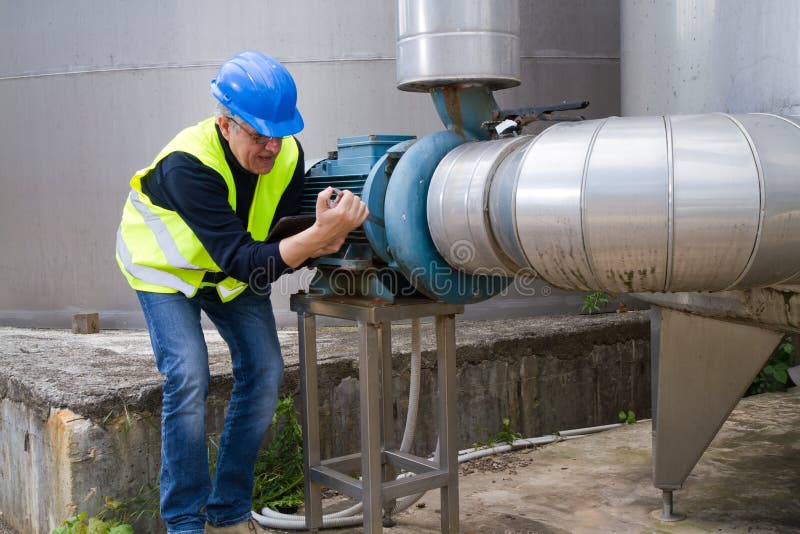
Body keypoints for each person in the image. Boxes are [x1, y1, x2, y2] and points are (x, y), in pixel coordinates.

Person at [115, 50, 368, 534]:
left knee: (266, 371)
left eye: (278, 135)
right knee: (188, 375)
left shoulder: (287, 155)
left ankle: (228, 513)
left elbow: (276, 239)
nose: (271, 148)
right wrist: (315, 237)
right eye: (257, 136)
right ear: (225, 124)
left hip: (232, 274)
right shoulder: (187, 165)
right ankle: (185, 521)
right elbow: (244, 258)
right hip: (167, 272)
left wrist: (326, 232)